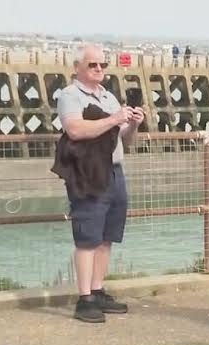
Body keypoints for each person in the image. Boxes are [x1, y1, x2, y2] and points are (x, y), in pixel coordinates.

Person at [55, 44, 144, 323]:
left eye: (103, 65)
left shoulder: (109, 97)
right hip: (88, 172)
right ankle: (84, 298)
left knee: (107, 235)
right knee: (87, 236)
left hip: (115, 171)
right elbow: (76, 129)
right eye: (93, 65)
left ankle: (97, 289)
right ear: (78, 67)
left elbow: (125, 141)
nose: (99, 70)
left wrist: (133, 124)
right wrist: (115, 118)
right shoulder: (70, 96)